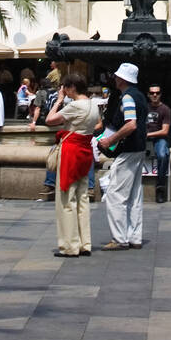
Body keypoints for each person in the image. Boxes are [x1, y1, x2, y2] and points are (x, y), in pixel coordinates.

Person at [44, 72, 98, 257]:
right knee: (82, 199)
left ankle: (69, 246)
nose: (64, 91)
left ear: (72, 87)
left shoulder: (75, 106)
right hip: (85, 152)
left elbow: (49, 120)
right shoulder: (93, 105)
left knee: (66, 199)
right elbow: (97, 126)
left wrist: (58, 101)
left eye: (65, 87)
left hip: (71, 153)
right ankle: (85, 243)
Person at [97, 62, 148, 250]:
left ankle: (119, 238)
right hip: (139, 149)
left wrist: (110, 141)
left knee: (115, 194)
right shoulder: (140, 96)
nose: (115, 78)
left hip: (128, 150)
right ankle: (134, 237)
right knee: (134, 195)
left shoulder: (127, 97)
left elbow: (131, 124)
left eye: (118, 76)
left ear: (122, 79)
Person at [145, 83, 171, 203]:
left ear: (160, 94)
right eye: (152, 93)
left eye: (157, 93)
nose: (154, 95)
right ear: (148, 95)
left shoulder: (165, 109)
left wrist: (148, 135)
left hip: (159, 138)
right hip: (144, 138)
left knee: (162, 154)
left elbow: (165, 131)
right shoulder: (144, 108)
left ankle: (160, 188)